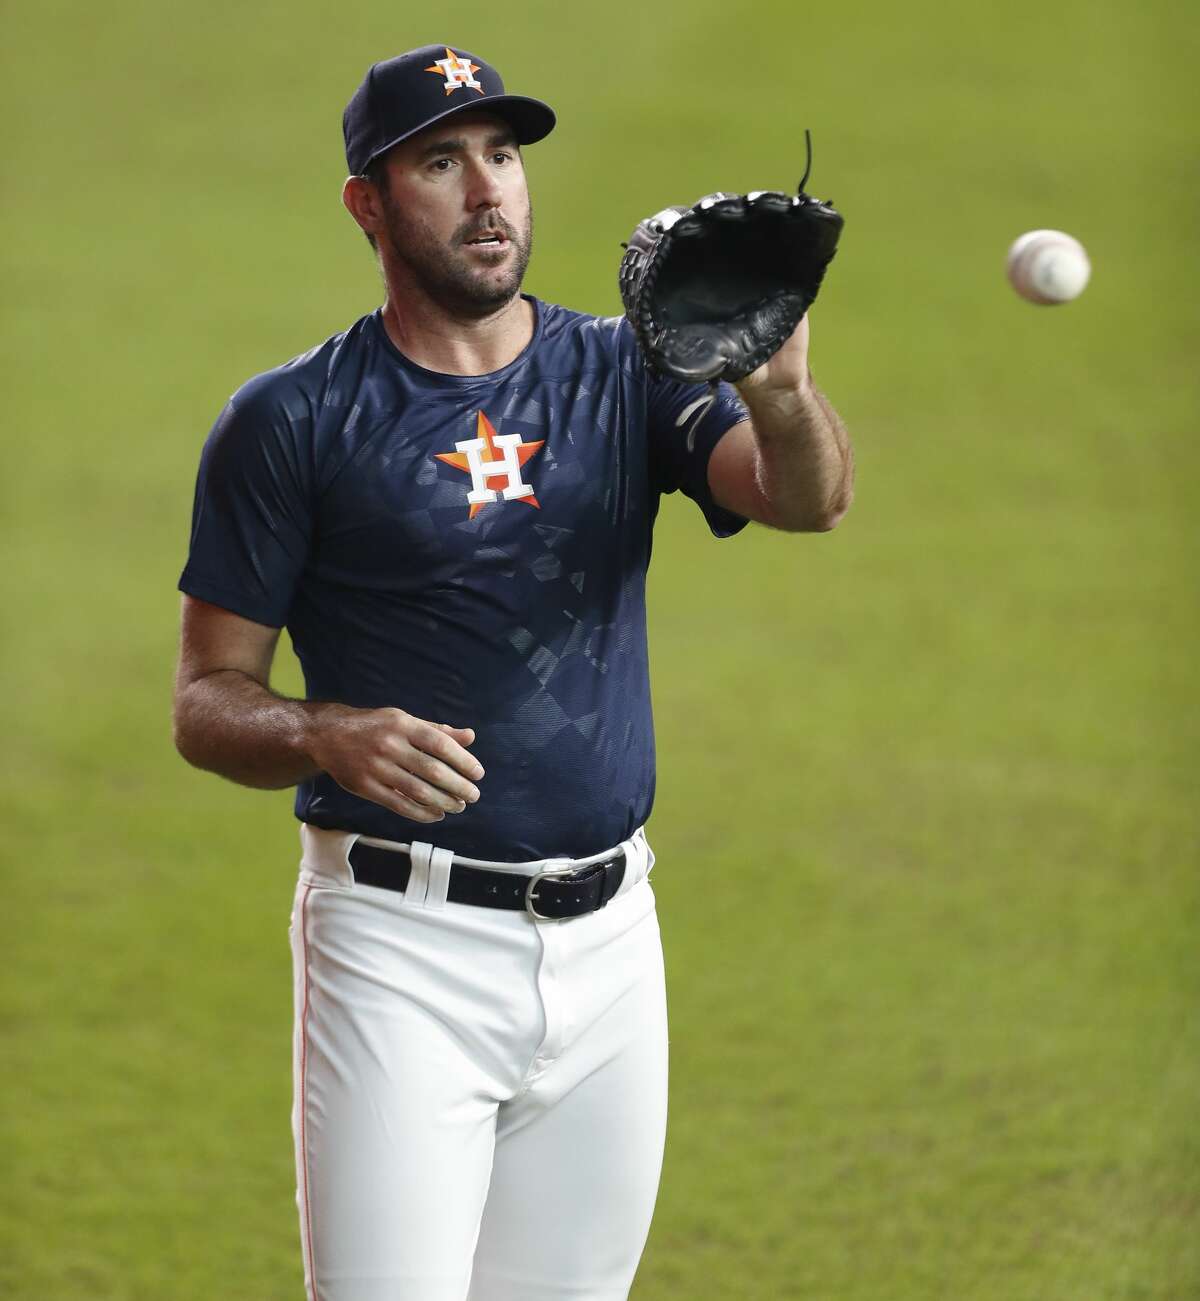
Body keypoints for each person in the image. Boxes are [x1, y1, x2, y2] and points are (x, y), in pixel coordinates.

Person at [173, 43, 853, 1301]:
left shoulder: (623, 368)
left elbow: (803, 500)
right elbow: (207, 699)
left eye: (504, 154)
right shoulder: (293, 421)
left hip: (610, 950)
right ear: (368, 205)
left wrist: (785, 395)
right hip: (398, 949)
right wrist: (325, 731)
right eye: (442, 161)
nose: (490, 194)